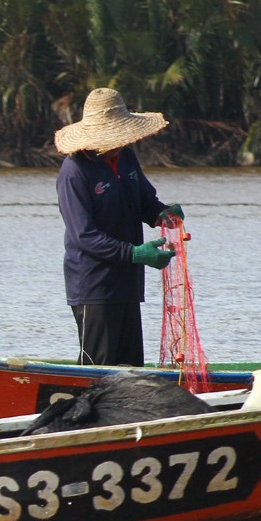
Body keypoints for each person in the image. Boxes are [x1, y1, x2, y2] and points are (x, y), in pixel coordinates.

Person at [54, 88, 184, 367]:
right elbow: (85, 237)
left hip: (127, 284)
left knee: (130, 369)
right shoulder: (75, 171)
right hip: (94, 286)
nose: (122, 143)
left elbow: (144, 200)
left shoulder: (126, 157)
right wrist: (136, 254)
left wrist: (162, 214)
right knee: (99, 369)